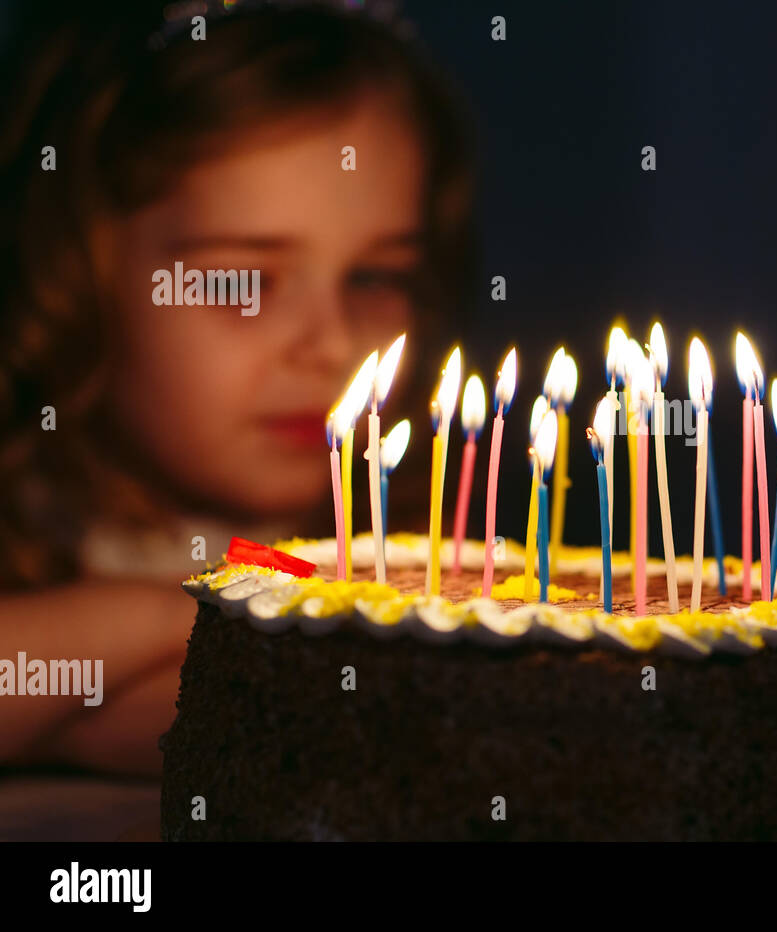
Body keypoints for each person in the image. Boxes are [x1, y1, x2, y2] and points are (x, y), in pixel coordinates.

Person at [0, 0, 474, 774]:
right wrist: (170, 615)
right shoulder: (28, 532)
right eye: (243, 282)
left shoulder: (429, 558)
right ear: (75, 271)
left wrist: (74, 716)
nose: (335, 345)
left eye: (377, 277)